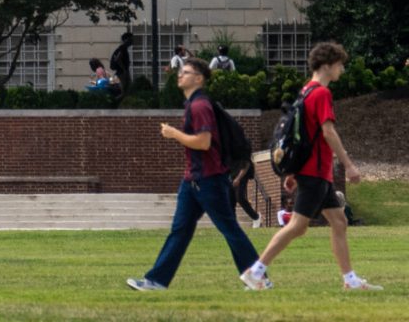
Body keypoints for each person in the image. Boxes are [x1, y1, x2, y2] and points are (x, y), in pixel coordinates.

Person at [245, 42, 380, 292]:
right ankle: (256, 271)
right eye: (339, 65)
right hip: (316, 172)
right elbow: (328, 132)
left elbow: (303, 135)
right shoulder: (321, 94)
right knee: (298, 226)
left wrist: (294, 172)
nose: (341, 69)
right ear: (327, 65)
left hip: (313, 172)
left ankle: (350, 280)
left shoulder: (305, 91)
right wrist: (349, 165)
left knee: (339, 221)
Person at [127, 59, 264, 294]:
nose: (180, 75)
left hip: (208, 179)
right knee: (180, 230)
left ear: (199, 78)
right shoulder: (193, 104)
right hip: (193, 180)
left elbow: (203, 142)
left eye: (186, 72)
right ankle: (156, 281)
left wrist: (173, 134)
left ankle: (259, 278)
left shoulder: (200, 106)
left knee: (229, 229)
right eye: (181, 71)